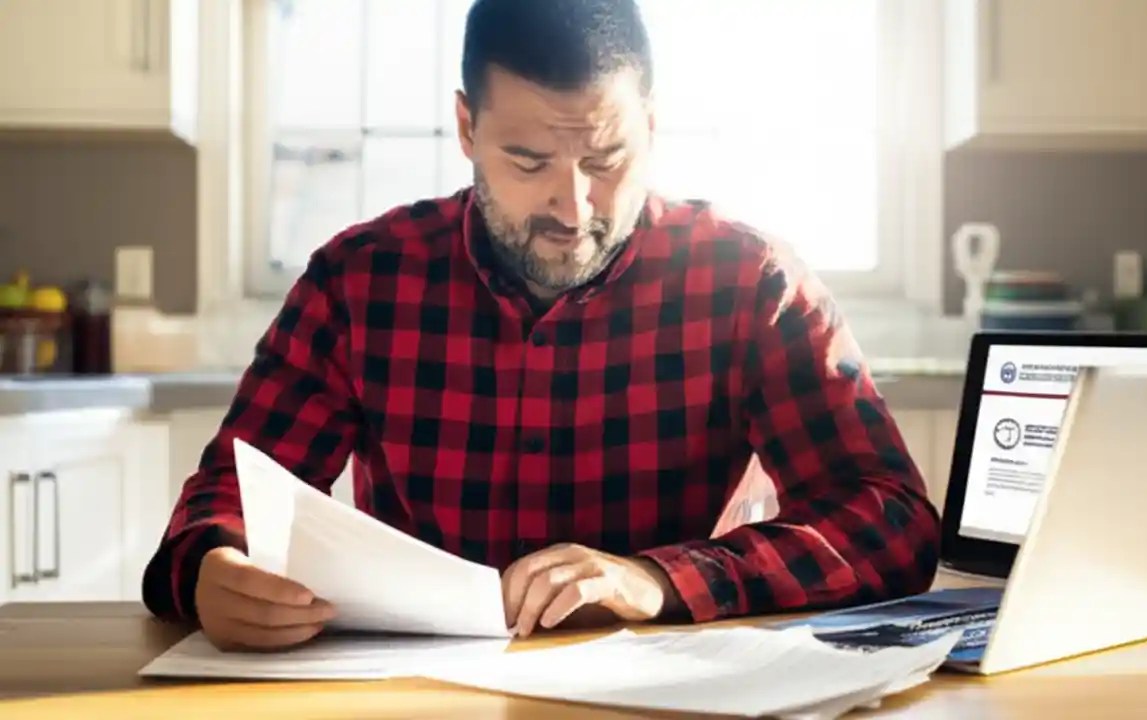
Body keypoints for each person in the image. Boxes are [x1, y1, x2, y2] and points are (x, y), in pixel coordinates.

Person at [141, 0, 940, 651]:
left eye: (606, 160)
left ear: (651, 127)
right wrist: (213, 565)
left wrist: (657, 581)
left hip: (677, 692)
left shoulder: (749, 282)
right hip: (421, 695)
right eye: (528, 162)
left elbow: (892, 519)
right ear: (466, 129)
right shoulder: (360, 281)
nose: (574, 207)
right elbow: (227, 498)